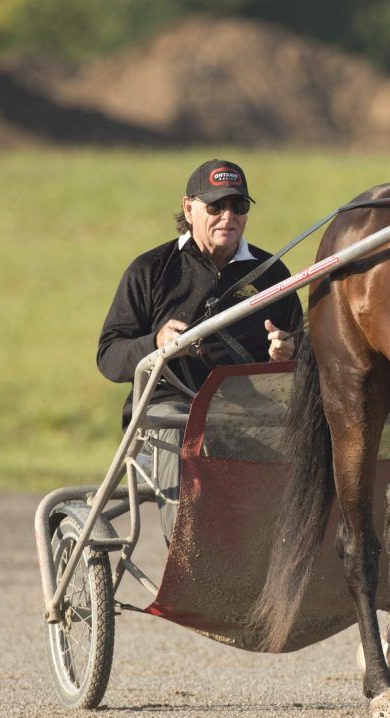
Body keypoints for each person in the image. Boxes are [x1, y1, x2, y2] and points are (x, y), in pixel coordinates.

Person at [97, 159, 301, 541]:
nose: (228, 216)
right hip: (167, 410)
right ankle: (192, 569)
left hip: (245, 410)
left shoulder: (272, 274)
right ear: (189, 208)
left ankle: (286, 559)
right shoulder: (152, 270)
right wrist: (156, 344)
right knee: (181, 432)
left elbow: (306, 354)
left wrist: (288, 352)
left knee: (302, 437)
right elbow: (109, 356)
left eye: (238, 207)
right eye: (215, 207)